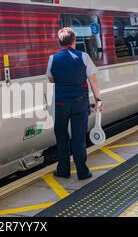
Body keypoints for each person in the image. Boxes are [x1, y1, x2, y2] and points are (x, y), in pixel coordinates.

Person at [46, 27, 104, 180]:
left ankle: (63, 170)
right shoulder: (84, 57)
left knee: (61, 136)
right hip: (80, 102)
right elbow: (93, 81)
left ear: (60, 42)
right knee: (78, 137)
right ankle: (83, 172)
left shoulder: (53, 58)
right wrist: (98, 100)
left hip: (60, 104)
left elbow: (51, 79)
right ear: (74, 41)